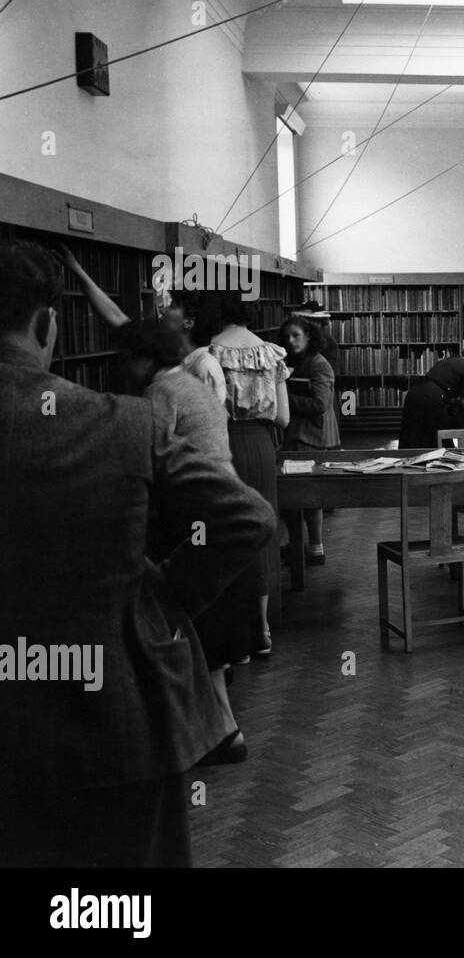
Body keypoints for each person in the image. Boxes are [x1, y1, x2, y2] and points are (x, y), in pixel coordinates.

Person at [0, 241, 275, 866]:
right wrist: (162, 595)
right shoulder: (123, 423)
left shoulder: (149, 402)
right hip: (116, 716)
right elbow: (244, 516)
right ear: (47, 326)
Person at [117, 316, 252, 765]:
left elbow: (152, 458)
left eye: (127, 358)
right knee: (204, 618)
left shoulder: (160, 394)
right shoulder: (193, 382)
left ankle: (214, 729)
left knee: (180, 614)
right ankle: (222, 726)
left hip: (193, 510)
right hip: (226, 503)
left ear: (143, 358)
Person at [208, 293, 290, 659]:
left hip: (223, 445)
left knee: (227, 534)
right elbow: (284, 418)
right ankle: (263, 628)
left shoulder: (209, 354)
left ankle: (234, 633)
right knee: (262, 530)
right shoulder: (271, 353)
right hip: (260, 445)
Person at [60, 244, 226, 406]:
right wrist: (76, 270)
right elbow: (116, 317)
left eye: (173, 306)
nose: (163, 309)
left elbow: (209, 425)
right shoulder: (161, 349)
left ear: (188, 322)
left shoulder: (205, 366)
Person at [280, 315, 341, 565]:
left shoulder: (318, 364)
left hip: (312, 438)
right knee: (297, 495)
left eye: (296, 335)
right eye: (287, 337)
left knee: (307, 495)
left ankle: (315, 547)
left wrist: (283, 398)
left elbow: (320, 404)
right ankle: (300, 546)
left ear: (308, 336)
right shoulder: (295, 362)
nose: (291, 341)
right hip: (299, 436)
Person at [399, 346, 464, 447]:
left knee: (413, 433)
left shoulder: (448, 361)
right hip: (433, 399)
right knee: (439, 436)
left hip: (414, 393)